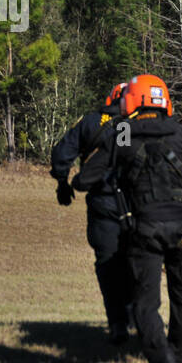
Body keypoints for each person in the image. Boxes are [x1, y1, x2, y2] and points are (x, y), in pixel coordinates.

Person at [73, 74, 182, 363]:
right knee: (181, 296)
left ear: (129, 102)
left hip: (144, 230)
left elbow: (85, 179)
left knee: (145, 305)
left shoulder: (124, 132)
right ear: (164, 102)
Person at [50, 83, 133, 344]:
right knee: (136, 261)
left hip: (102, 200)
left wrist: (62, 182)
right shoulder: (141, 123)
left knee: (108, 263)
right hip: (136, 203)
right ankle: (134, 319)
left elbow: (62, 154)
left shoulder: (91, 121)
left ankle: (117, 323)